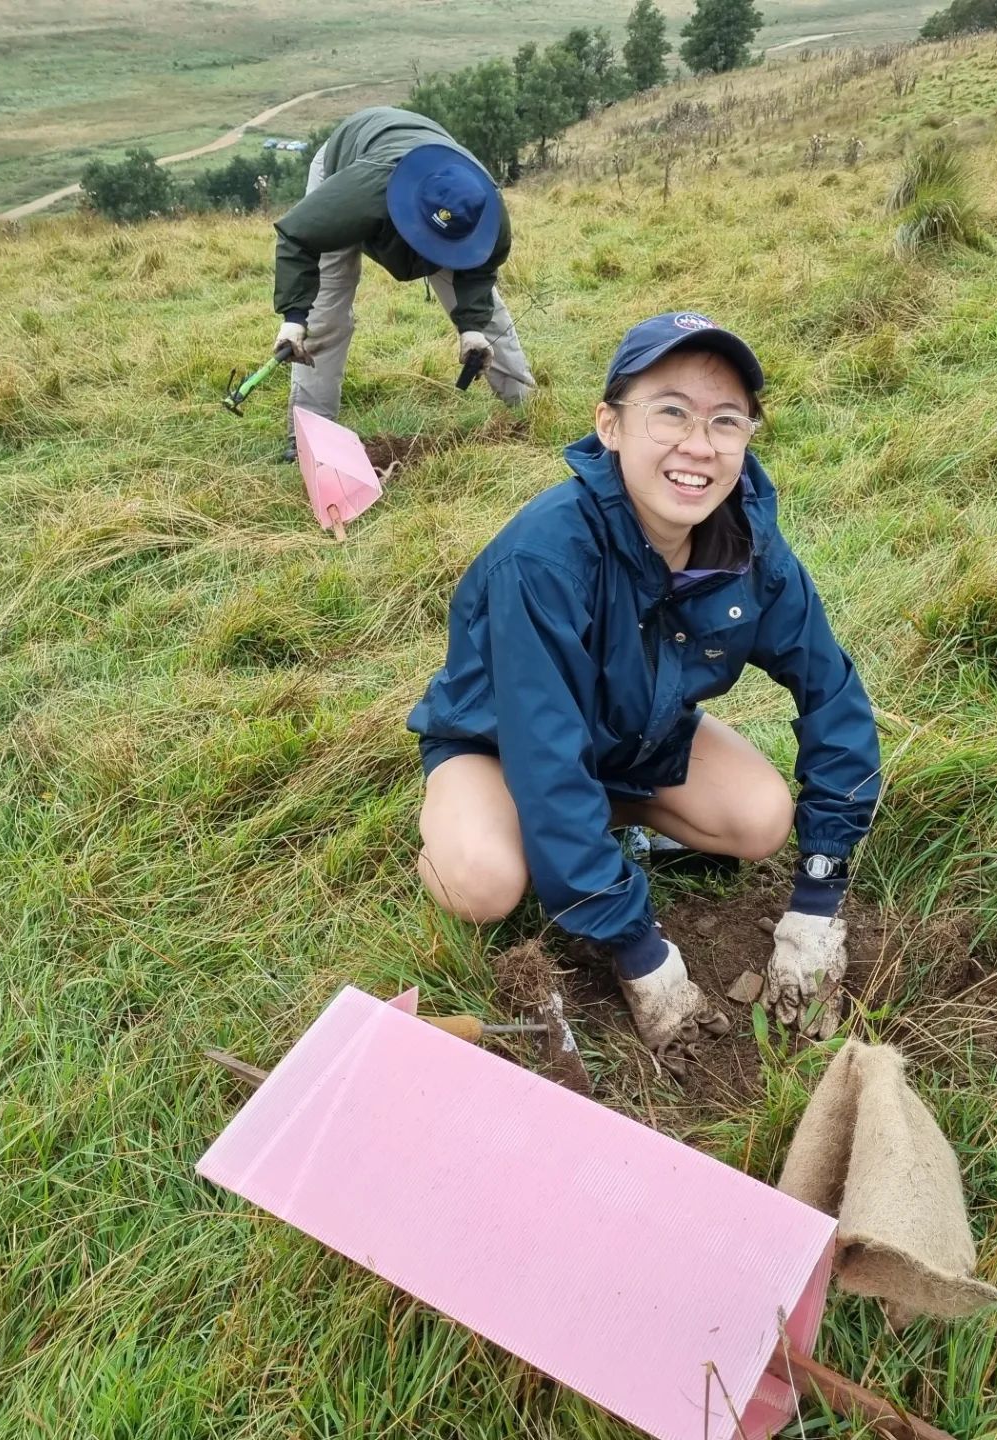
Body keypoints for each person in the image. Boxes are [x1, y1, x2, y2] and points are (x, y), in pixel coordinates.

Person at [407, 313, 882, 1073]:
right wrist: (640, 952)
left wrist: (818, 900)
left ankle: (598, 831)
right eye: (671, 412)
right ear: (611, 426)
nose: (700, 445)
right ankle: (470, 821)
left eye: (727, 421)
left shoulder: (750, 547)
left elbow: (831, 692)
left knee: (761, 819)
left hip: (635, 737)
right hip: (499, 747)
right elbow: (546, 755)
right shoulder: (545, 558)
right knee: (484, 882)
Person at [272, 106, 536, 460]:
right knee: (324, 318)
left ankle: (523, 406)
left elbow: (480, 270)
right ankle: (309, 439)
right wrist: (294, 316)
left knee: (488, 315)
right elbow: (299, 235)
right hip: (352, 165)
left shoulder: (485, 211)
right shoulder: (363, 191)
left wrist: (471, 327)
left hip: (435, 180)